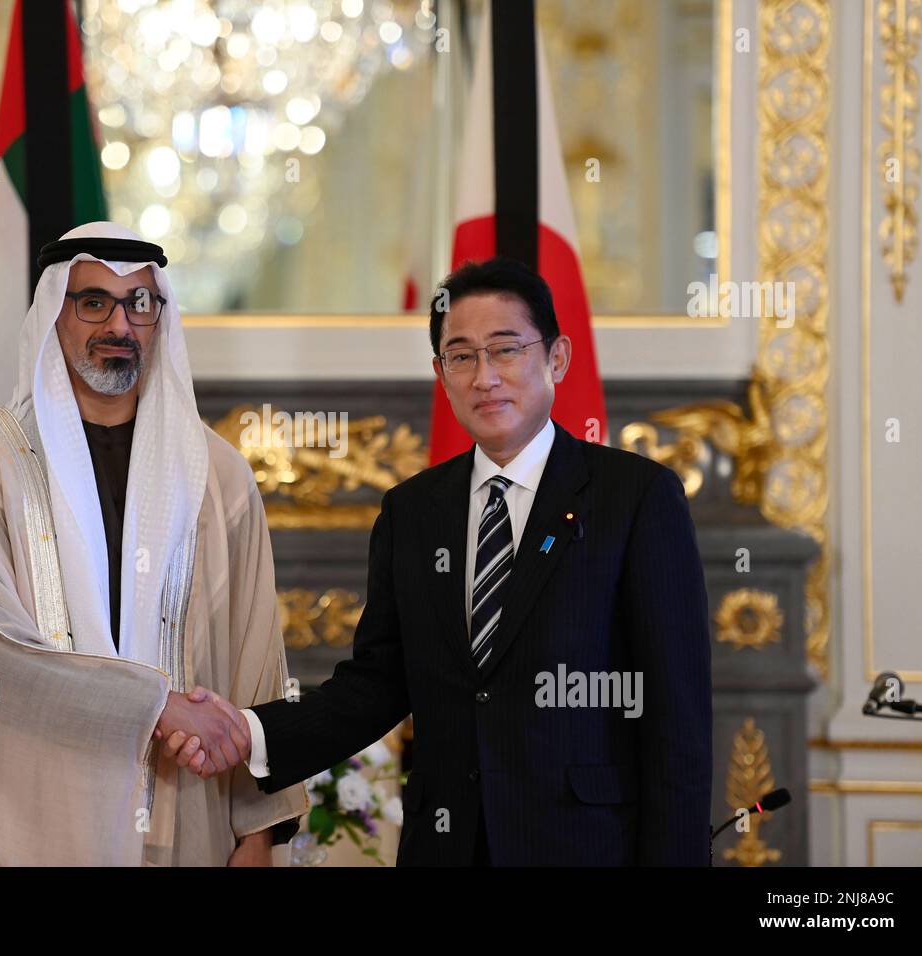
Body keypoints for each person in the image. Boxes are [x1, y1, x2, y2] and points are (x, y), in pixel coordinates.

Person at [163, 257, 712, 865]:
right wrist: (249, 732)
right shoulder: (413, 512)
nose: (485, 377)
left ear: (556, 357)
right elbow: (378, 684)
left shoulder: (635, 499)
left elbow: (676, 720)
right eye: (461, 356)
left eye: (505, 350)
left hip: (586, 848)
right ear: (440, 373)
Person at [0, 221, 307, 866]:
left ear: (159, 319)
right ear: (53, 313)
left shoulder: (218, 473)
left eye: (139, 303)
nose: (119, 324)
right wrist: (159, 709)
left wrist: (259, 835)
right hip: (33, 822)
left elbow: (256, 661)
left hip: (187, 820)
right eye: (94, 301)